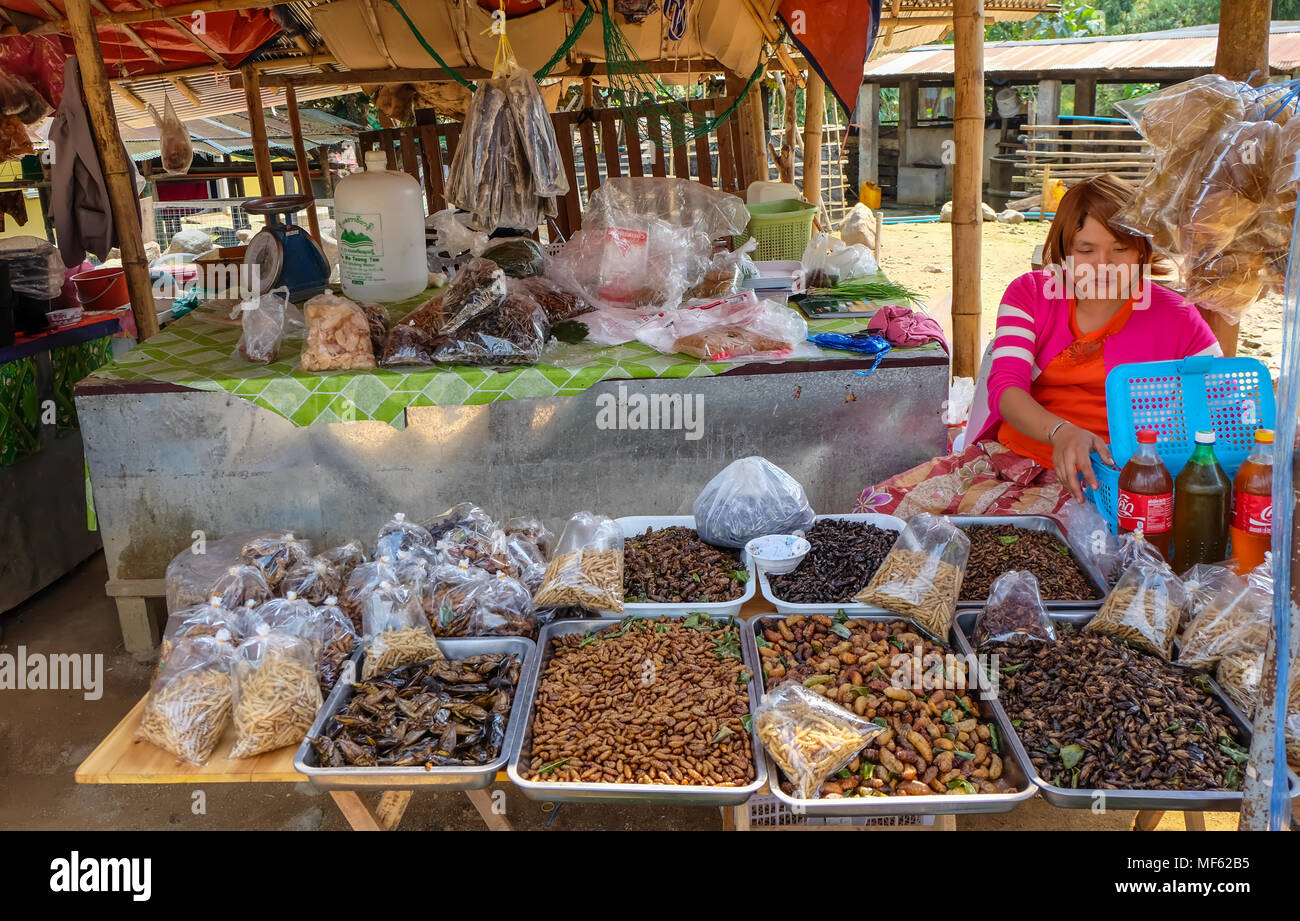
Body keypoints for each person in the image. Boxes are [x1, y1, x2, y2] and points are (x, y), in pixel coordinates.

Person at [855, 173, 1223, 519]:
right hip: (1011, 458)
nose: (1104, 265)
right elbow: (1006, 388)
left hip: (1110, 482)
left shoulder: (1178, 316)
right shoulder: (1030, 294)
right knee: (875, 512)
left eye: (1121, 248)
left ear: (1143, 251)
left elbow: (1222, 407)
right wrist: (1062, 432)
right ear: (1064, 251)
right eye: (1086, 250)